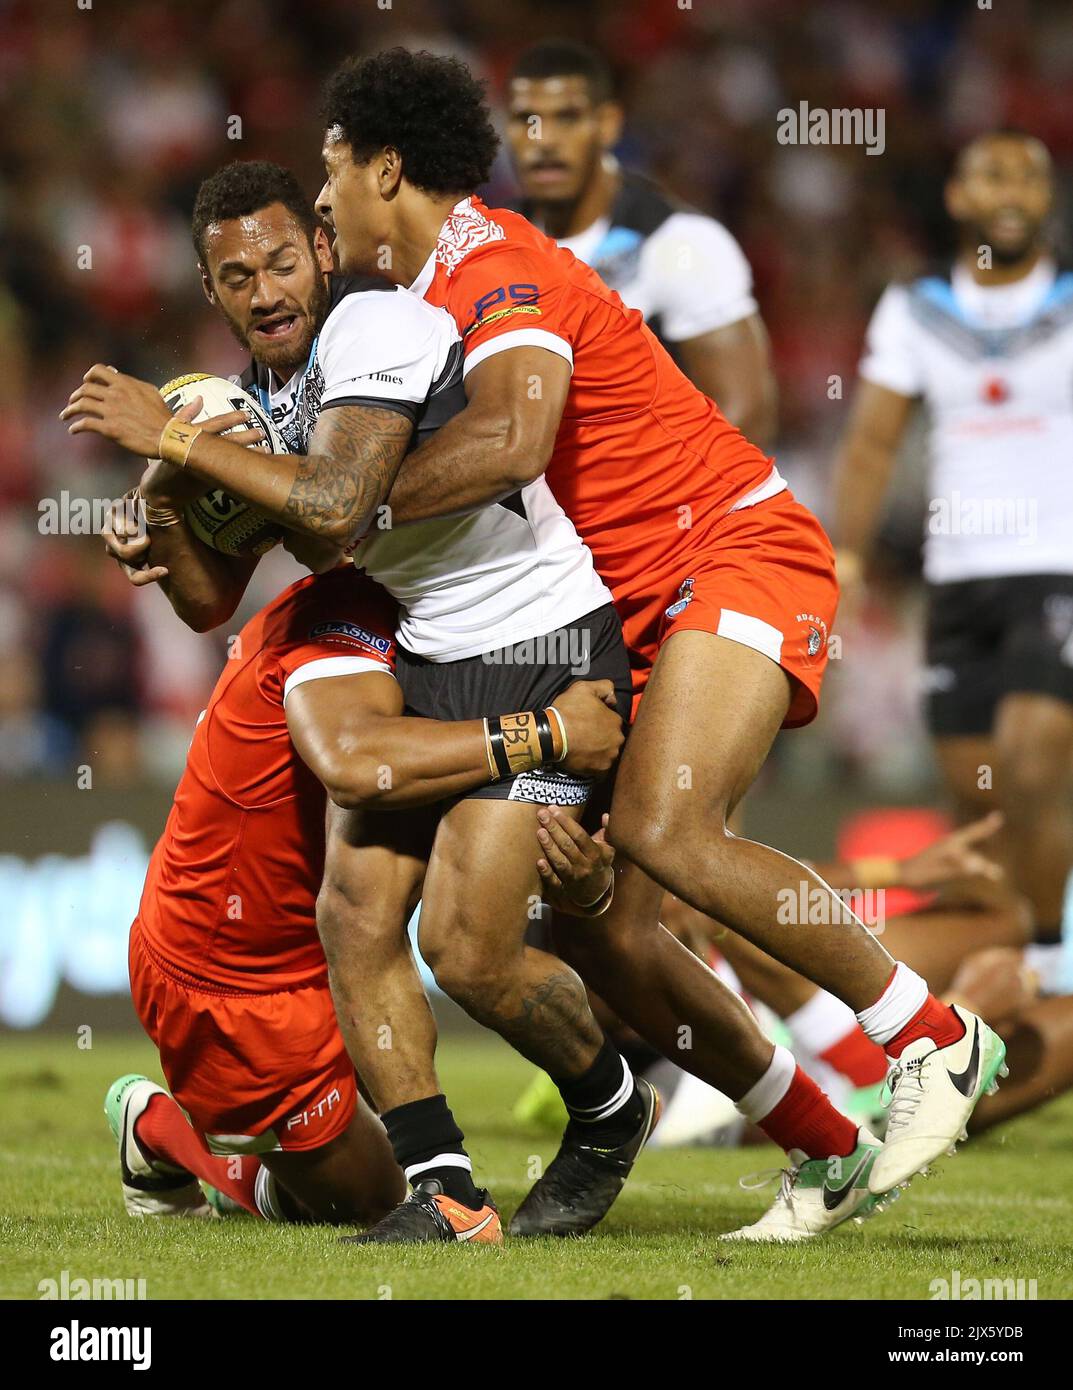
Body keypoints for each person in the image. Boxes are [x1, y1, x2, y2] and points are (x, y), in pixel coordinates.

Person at [67, 54, 1004, 1235]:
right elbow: (267, 545)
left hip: (722, 549)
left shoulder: (484, 267)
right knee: (593, 925)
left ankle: (928, 1036)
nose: (319, 199)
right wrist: (187, 502)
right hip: (616, 605)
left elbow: (511, 441)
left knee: (669, 834)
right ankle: (817, 1145)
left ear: (381, 167)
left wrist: (328, 502)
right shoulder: (341, 340)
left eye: (329, 172)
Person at [106, 503, 624, 1236]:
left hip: (335, 948)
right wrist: (551, 731)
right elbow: (359, 767)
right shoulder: (346, 626)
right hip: (237, 977)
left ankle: (509, 1153)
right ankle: (161, 1131)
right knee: (361, 1202)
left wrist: (587, 860)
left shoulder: (457, 624)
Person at [835, 130, 1073, 984]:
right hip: (959, 580)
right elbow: (869, 443)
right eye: (989, 173)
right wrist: (848, 557)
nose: (1009, 189)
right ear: (957, 199)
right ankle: (1006, 950)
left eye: (1027, 174)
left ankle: (1049, 958)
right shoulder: (915, 309)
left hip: (1059, 568)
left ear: (1046, 199)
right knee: (975, 796)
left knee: (1032, 754)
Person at [505, 39, 777, 446]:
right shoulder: (495, 244)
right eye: (527, 119)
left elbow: (745, 418)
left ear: (609, 124)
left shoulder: (679, 243)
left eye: (567, 117)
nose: (544, 141)